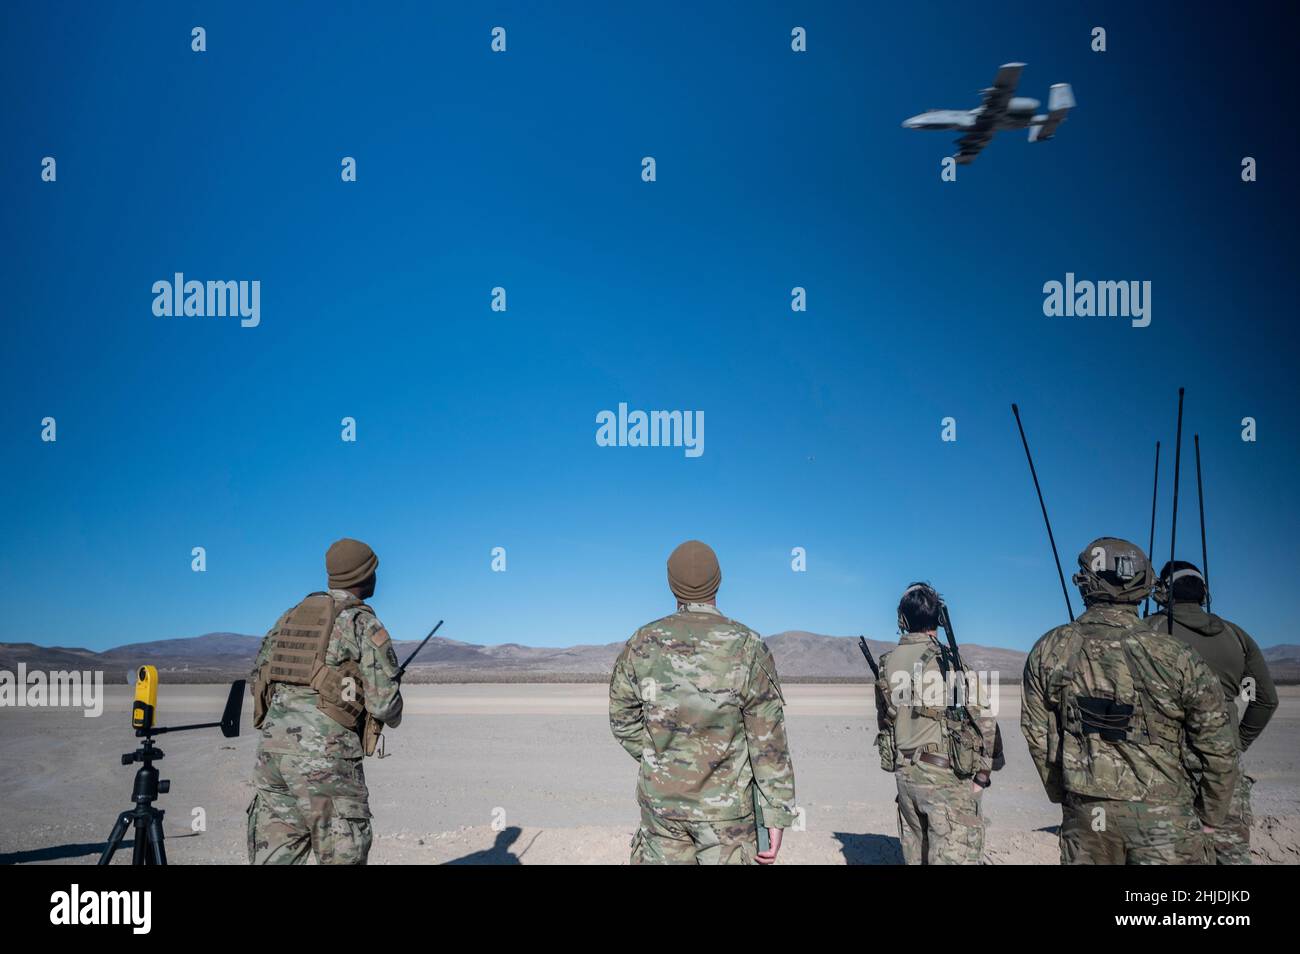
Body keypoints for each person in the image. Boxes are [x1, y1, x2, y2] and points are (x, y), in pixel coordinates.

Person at [1022, 537, 1239, 864]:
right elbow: (1218, 746)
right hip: (1164, 816)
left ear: (1085, 583)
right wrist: (1211, 815)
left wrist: (1065, 794)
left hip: (1089, 814)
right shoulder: (1176, 655)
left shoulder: (1049, 649)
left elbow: (1037, 735)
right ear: (1145, 584)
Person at [609, 539, 796, 864]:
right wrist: (776, 812)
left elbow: (622, 719)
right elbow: (768, 741)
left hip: (662, 811)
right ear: (718, 581)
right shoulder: (746, 646)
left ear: (671, 585)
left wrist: (663, 759)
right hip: (727, 817)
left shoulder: (642, 643)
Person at [246, 538, 404, 864]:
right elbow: (384, 704)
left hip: (272, 758)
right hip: (326, 765)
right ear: (364, 575)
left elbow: (259, 681)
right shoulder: (362, 623)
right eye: (373, 570)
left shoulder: (288, 618)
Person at [1145, 560, 1277, 863]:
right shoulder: (1236, 636)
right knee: (1229, 850)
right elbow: (1265, 699)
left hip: (1163, 764)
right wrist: (1237, 741)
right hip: (1224, 761)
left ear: (1164, 593)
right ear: (1203, 592)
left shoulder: (1149, 630)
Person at [875, 582, 998, 864]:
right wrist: (982, 776)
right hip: (946, 778)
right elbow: (985, 723)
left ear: (902, 619)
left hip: (906, 776)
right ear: (938, 620)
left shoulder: (886, 663)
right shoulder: (949, 660)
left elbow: (885, 722)